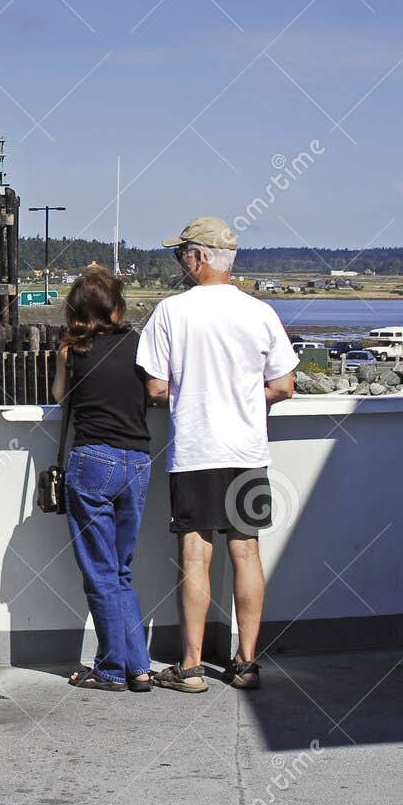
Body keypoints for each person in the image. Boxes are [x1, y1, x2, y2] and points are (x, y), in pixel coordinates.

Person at [136, 217, 296, 693]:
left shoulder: (171, 311)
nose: (179, 262)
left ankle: (191, 666)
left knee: (195, 552)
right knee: (246, 551)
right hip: (247, 449)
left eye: (180, 254)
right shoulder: (260, 312)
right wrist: (243, 398)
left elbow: (156, 387)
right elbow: (284, 385)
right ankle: (246, 662)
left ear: (199, 257)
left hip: (196, 450)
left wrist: (194, 396)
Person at [52, 265, 154, 693]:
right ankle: (140, 667)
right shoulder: (139, 344)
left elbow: (60, 397)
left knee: (100, 572)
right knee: (120, 570)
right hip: (138, 461)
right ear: (116, 308)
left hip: (93, 458)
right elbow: (153, 391)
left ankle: (111, 668)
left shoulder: (71, 350)